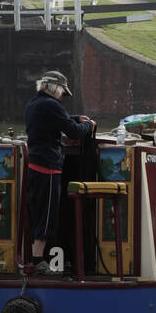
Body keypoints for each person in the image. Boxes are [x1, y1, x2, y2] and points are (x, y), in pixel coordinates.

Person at [25, 70, 93, 274]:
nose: (62, 96)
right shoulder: (52, 105)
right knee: (47, 216)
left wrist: (73, 117)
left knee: (37, 213)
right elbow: (73, 132)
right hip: (48, 168)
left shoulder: (34, 105)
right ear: (55, 88)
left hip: (34, 166)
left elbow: (55, 120)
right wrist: (89, 125)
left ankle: (33, 258)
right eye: (62, 92)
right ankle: (38, 262)